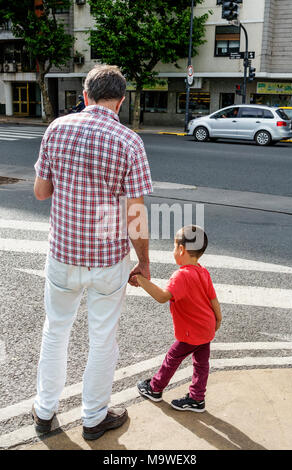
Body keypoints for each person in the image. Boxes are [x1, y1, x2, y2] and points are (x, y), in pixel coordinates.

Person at [32, 64, 152, 440]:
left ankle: (44, 412)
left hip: (63, 255)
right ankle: (94, 418)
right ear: (120, 100)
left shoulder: (56, 129)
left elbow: (40, 192)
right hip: (107, 261)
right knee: (103, 339)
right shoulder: (129, 141)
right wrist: (144, 262)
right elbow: (135, 213)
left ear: (85, 96)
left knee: (55, 332)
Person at [135, 225, 222, 412]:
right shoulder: (202, 271)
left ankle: (155, 388)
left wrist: (140, 279)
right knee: (201, 364)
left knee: (172, 358)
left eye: (174, 246)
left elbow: (162, 297)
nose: (173, 250)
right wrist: (218, 319)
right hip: (207, 327)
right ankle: (197, 398)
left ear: (181, 249)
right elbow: (213, 298)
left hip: (191, 332)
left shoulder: (181, 276)